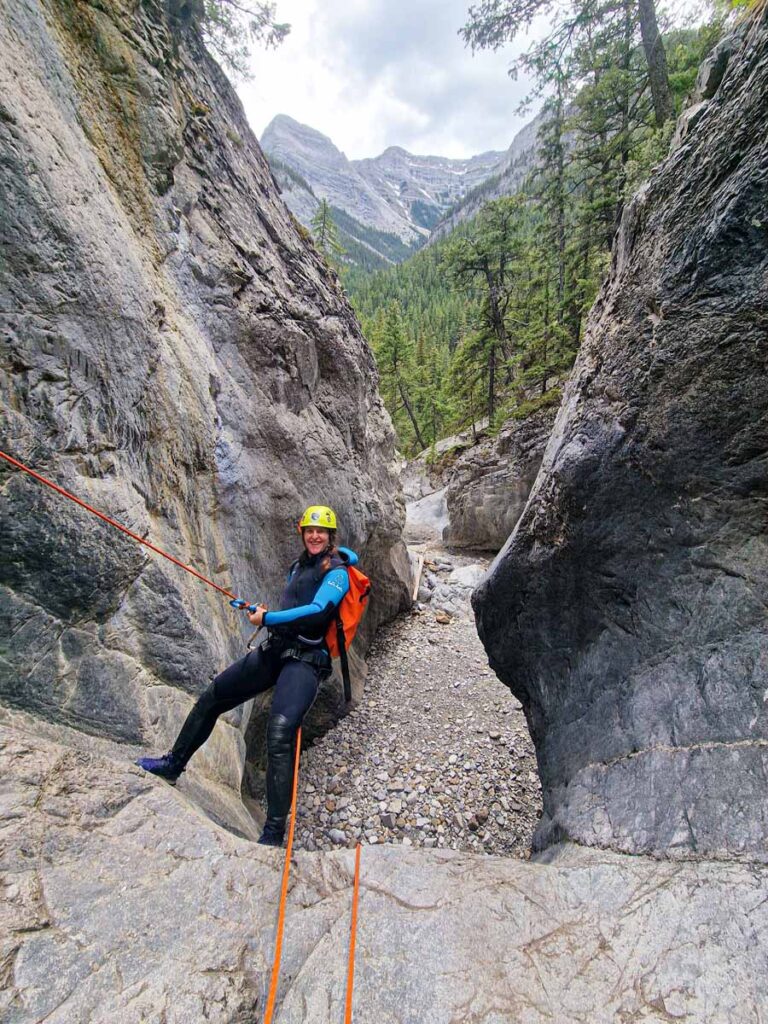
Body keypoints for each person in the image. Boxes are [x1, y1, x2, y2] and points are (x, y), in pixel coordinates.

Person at [136, 505, 357, 847]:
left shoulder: (338, 572)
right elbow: (292, 610)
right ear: (302, 533)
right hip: (278, 649)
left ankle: (273, 833)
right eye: (310, 530)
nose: (315, 536)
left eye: (321, 531)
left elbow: (318, 612)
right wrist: (264, 613)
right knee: (214, 696)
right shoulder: (298, 566)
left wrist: (268, 619)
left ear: (330, 536)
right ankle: (173, 764)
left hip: (307, 661)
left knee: (280, 732)